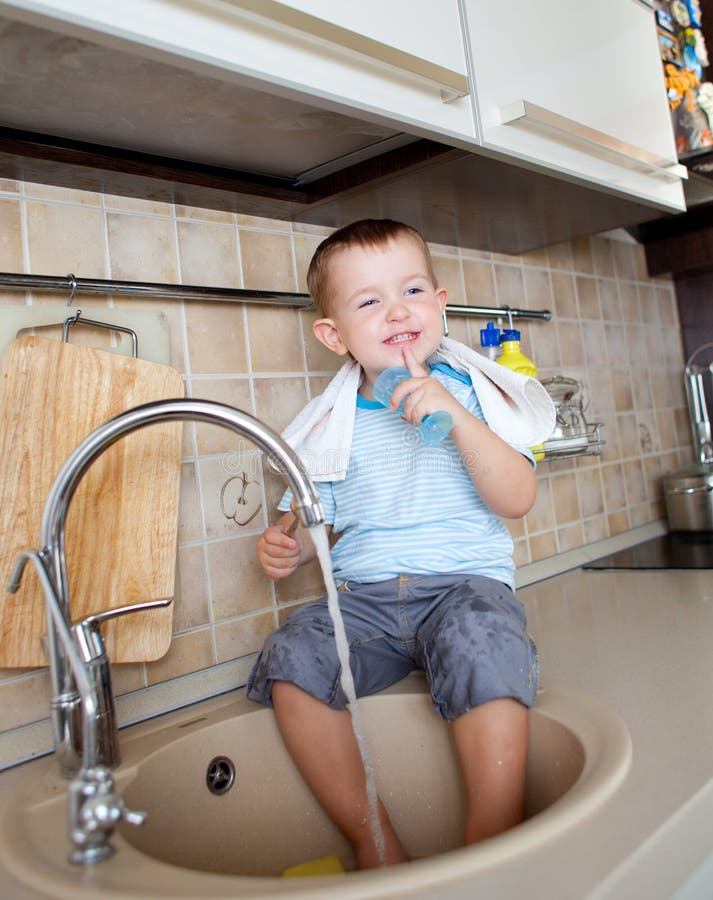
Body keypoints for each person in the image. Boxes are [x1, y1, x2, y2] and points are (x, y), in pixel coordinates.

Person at [247, 219, 542, 870]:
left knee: (481, 642)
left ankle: (493, 835)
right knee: (290, 656)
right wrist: (289, 550)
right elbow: (315, 523)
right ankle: (372, 839)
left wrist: (455, 413)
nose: (397, 309)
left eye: (411, 289)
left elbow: (516, 498)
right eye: (368, 301)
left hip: (463, 589)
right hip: (368, 604)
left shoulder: (476, 396)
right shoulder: (332, 425)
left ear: (439, 304)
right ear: (334, 335)